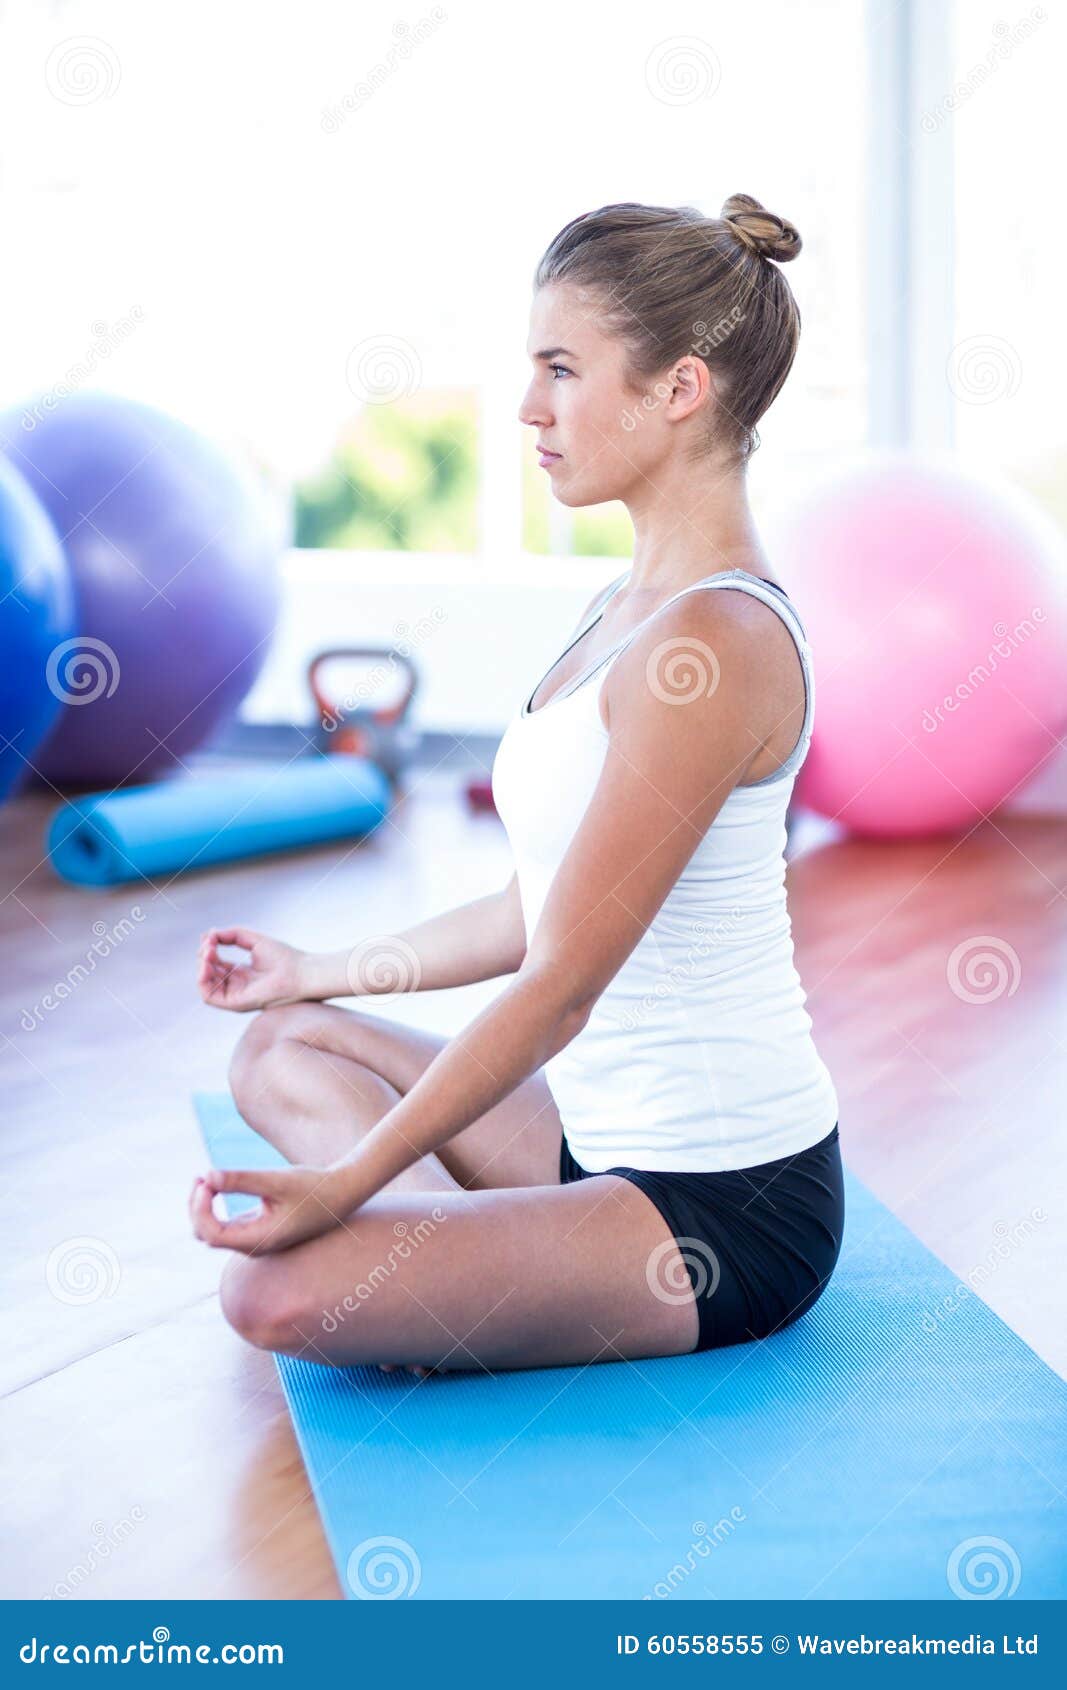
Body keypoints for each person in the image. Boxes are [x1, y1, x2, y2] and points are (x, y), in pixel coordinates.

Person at [190, 193, 843, 1376]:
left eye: (560, 369)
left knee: (274, 1294)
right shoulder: (620, 608)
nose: (528, 407)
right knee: (283, 1042)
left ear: (678, 389)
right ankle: (457, 1266)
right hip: (587, 1136)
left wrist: (347, 1181)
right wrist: (314, 969)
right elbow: (529, 907)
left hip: (715, 1209)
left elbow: (559, 987)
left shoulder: (715, 646)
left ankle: (437, 1266)